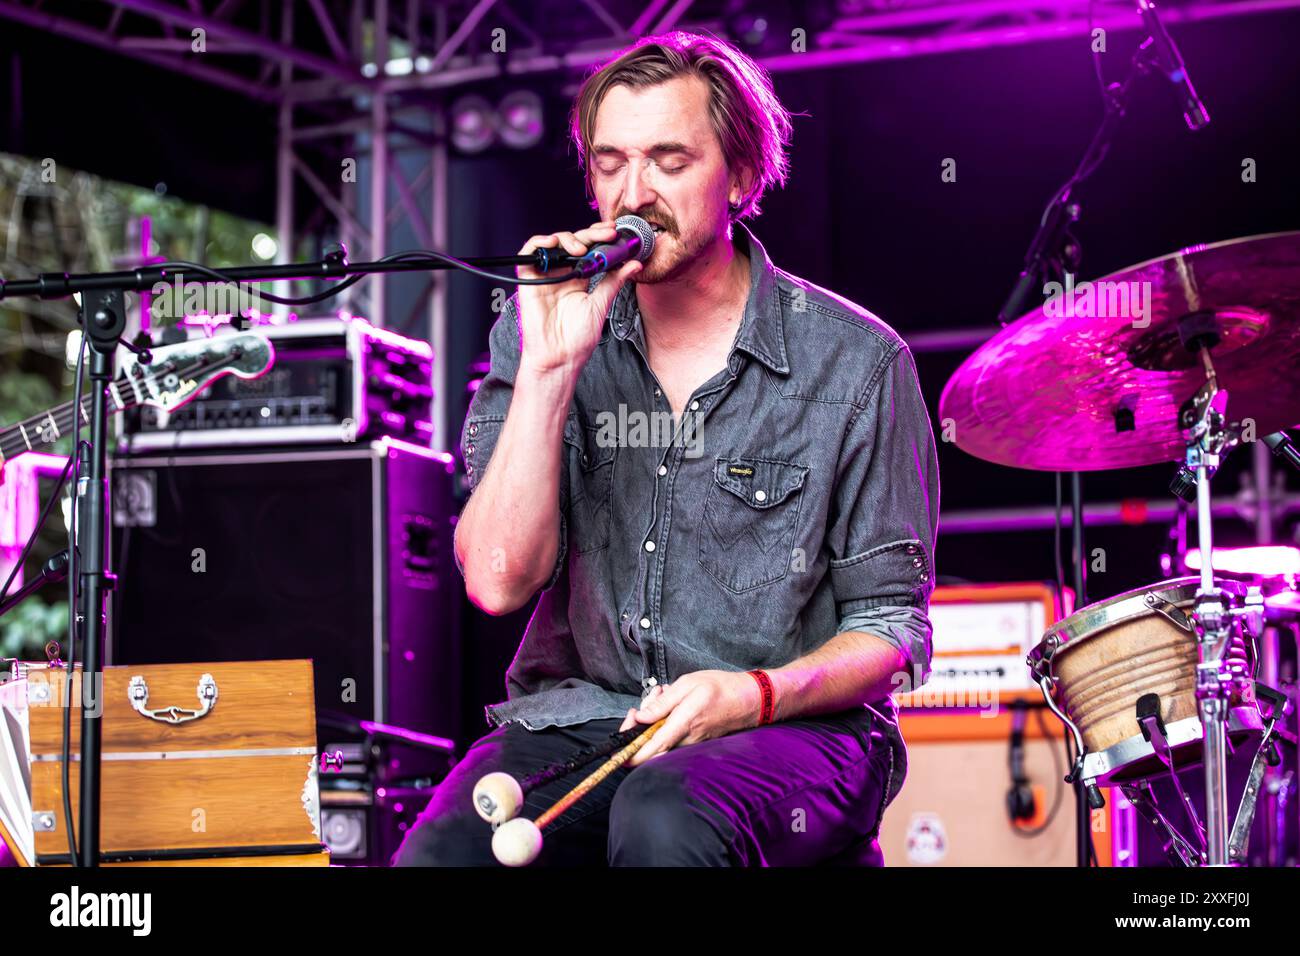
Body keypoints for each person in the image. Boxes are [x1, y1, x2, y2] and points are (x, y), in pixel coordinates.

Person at [392, 30, 940, 867]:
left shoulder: (856, 362)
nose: (633, 195)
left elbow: (892, 629)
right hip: (591, 714)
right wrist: (550, 369)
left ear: (742, 176)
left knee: (663, 816)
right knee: (444, 852)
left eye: (669, 162)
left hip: (797, 728)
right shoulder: (539, 329)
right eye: (610, 163)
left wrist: (753, 696)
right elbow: (498, 581)